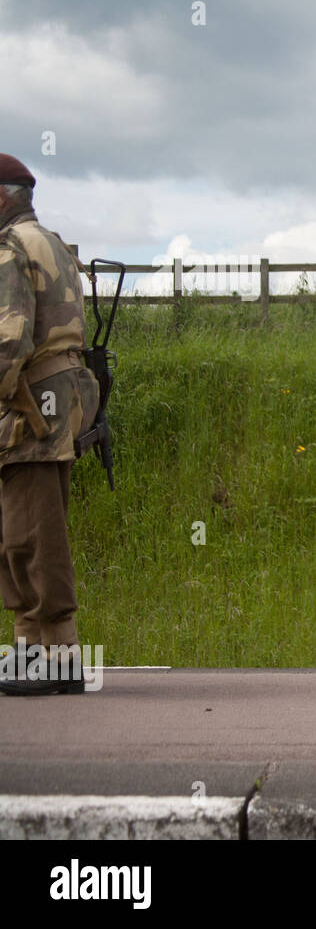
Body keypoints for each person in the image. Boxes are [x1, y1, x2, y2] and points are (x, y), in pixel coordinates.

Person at [0, 154, 100, 696]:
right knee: (32, 529)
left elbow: (7, 340)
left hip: (32, 405)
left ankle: (51, 658)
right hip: (59, 398)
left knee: (30, 535)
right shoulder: (52, 241)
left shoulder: (11, 247)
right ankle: (40, 654)